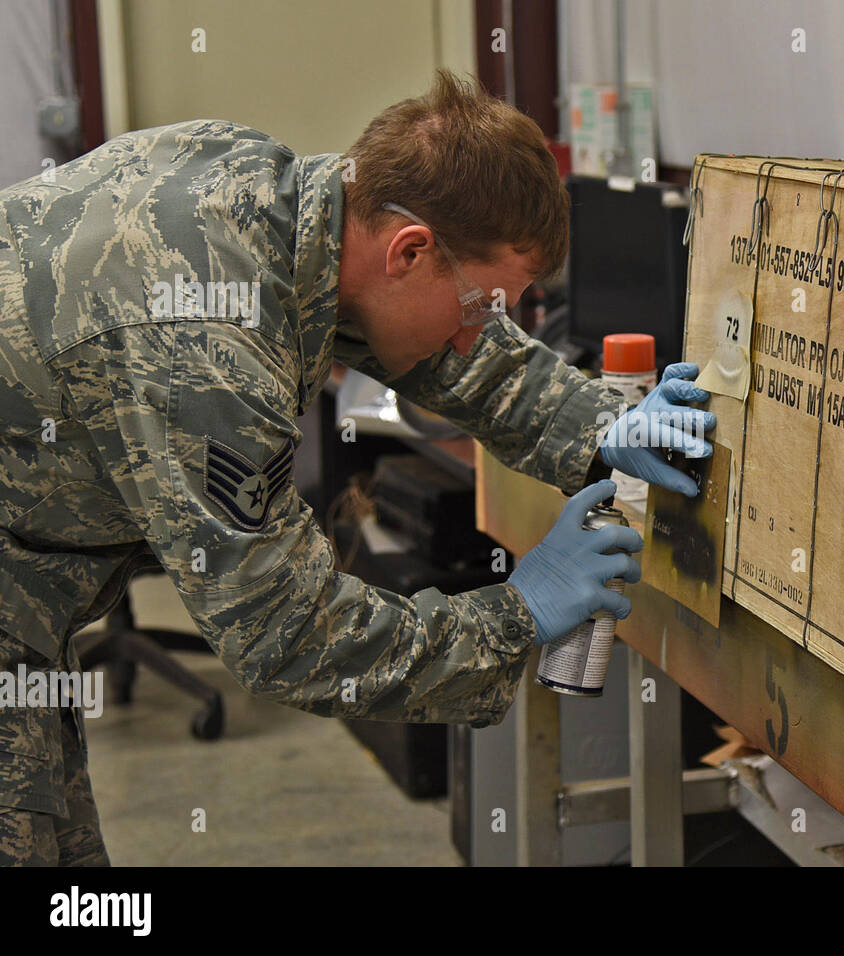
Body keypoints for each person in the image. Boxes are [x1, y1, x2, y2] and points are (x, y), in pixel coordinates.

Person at [0, 70, 714, 865]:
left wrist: (601, 422)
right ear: (410, 249)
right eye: (487, 308)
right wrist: (519, 612)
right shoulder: (203, 347)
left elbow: (444, 347)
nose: (482, 336)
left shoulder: (279, 200)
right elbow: (287, 633)